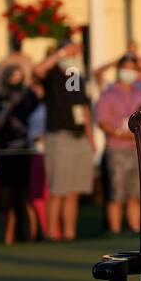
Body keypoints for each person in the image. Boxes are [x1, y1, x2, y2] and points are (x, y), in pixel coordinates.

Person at [32, 40, 95, 240]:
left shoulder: (75, 77)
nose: (72, 57)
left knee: (74, 191)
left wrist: (90, 137)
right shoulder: (51, 76)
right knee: (58, 189)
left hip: (79, 138)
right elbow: (38, 70)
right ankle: (51, 232)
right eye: (69, 53)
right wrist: (60, 53)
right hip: (59, 137)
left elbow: (83, 107)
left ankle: (69, 232)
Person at [0, 64, 41, 243]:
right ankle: (8, 237)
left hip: (24, 155)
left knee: (24, 199)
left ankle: (29, 236)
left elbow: (36, 125)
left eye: (18, 76)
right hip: (5, 157)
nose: (15, 80)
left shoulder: (30, 97)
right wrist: (8, 108)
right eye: (12, 76)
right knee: (6, 200)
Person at [94, 55, 141, 235]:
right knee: (116, 193)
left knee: (135, 193)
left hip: (137, 149)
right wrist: (121, 133)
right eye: (125, 68)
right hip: (116, 149)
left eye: (132, 69)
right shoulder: (108, 94)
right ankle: (115, 229)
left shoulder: (140, 93)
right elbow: (103, 122)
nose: (129, 72)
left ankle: (135, 228)